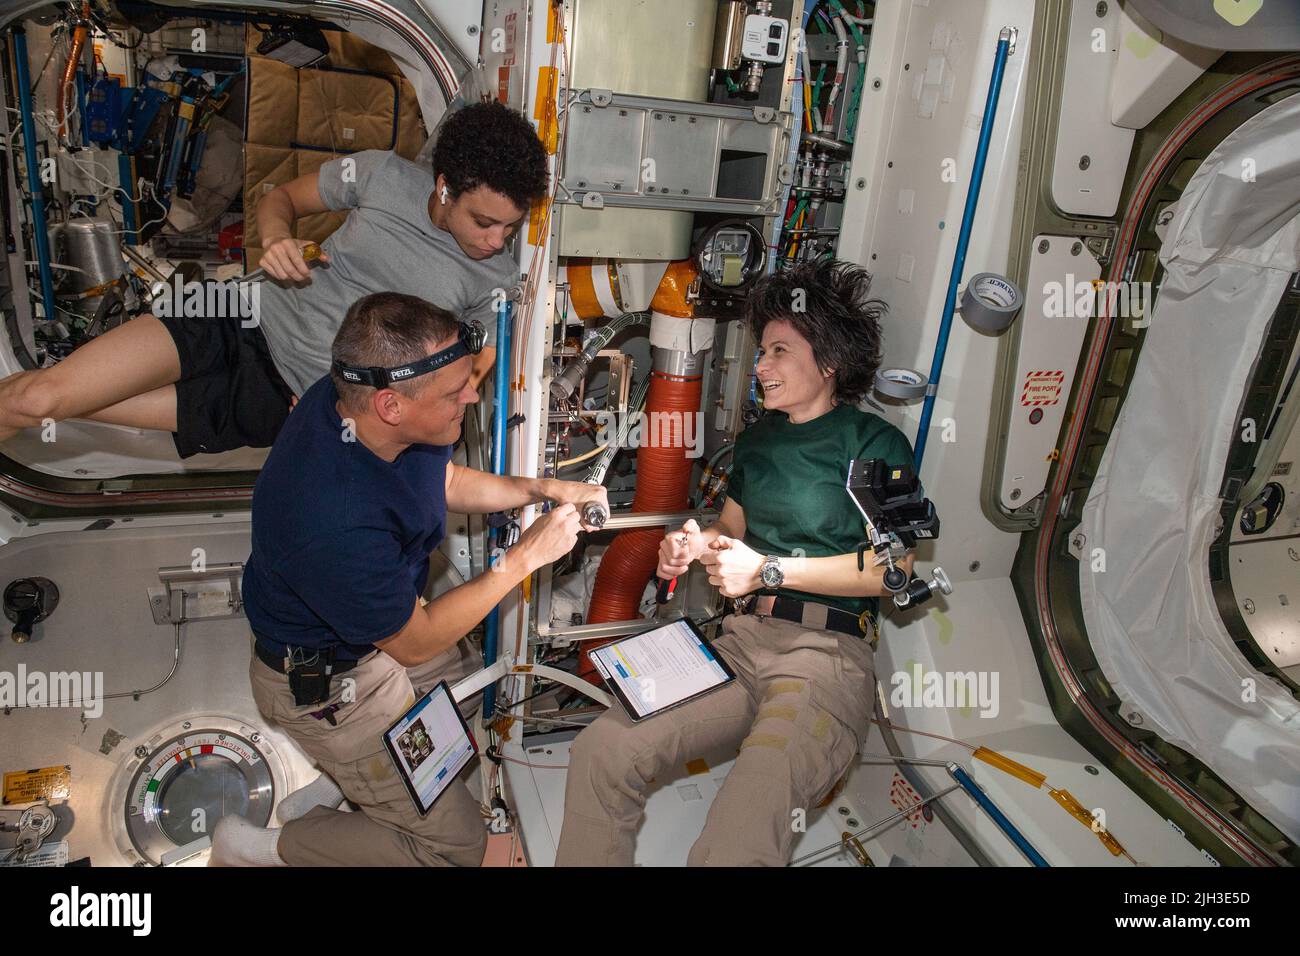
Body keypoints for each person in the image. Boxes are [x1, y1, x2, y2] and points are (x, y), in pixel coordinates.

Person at [209, 292, 606, 867]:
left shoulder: (356, 400)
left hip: (374, 637)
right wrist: (522, 559)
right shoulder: (331, 515)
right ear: (391, 406)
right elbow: (415, 641)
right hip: (334, 688)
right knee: (456, 850)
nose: (472, 395)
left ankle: (356, 782)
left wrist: (543, 490)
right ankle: (260, 848)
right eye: (456, 393)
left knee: (471, 680)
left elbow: (443, 482)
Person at [555, 258, 916, 866]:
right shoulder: (757, 443)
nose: (761, 366)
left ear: (829, 362)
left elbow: (894, 569)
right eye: (760, 351)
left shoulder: (874, 443)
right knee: (603, 752)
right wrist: (693, 543)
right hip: (740, 644)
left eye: (779, 350)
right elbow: (732, 529)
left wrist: (768, 571)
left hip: (824, 660)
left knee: (735, 844)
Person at [0, 101, 547, 456]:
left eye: (510, 226)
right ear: (446, 187)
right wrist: (278, 239)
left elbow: (466, 373)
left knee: (46, 406)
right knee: (38, 398)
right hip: (232, 315)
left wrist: (351, 423)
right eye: (484, 221)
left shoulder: (494, 275)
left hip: (279, 397)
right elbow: (277, 198)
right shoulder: (382, 175)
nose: (496, 241)